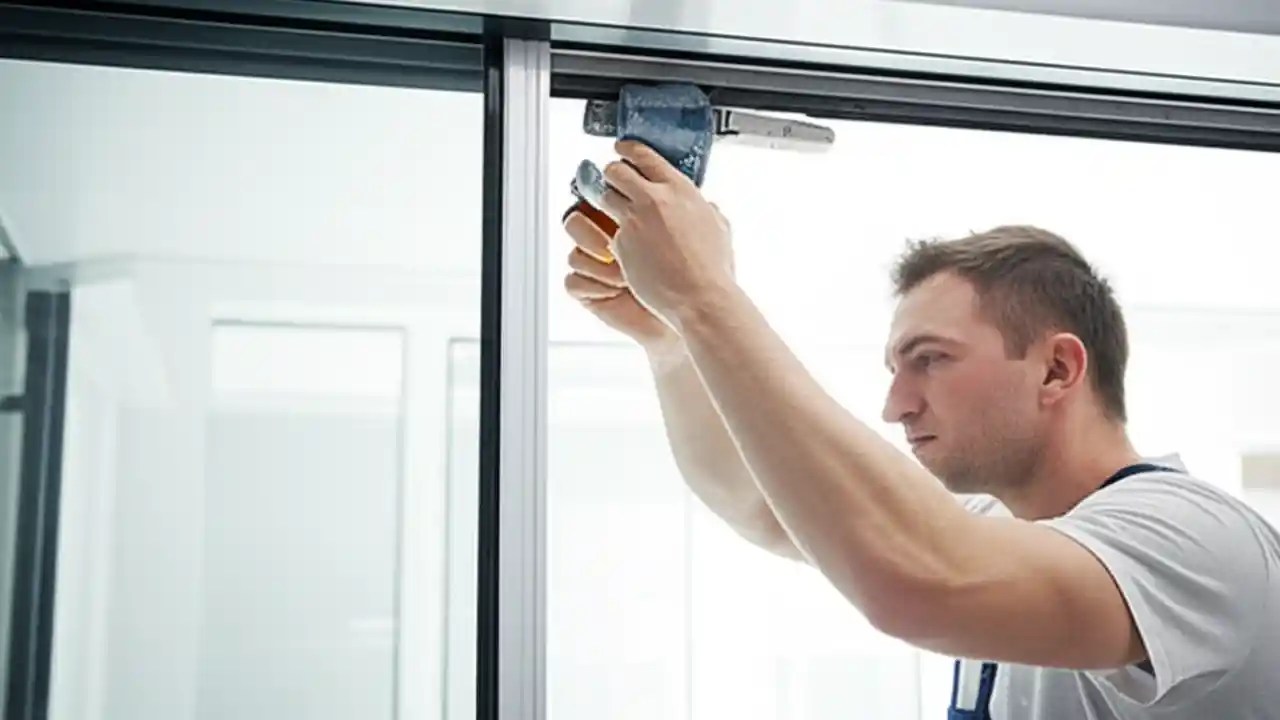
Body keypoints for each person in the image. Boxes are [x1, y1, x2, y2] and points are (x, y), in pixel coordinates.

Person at [560, 140, 1280, 719]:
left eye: (929, 361)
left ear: (1058, 370)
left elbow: (922, 581)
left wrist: (706, 297)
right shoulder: (996, 531)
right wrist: (673, 343)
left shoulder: (1194, 539)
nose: (896, 404)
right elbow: (761, 502)